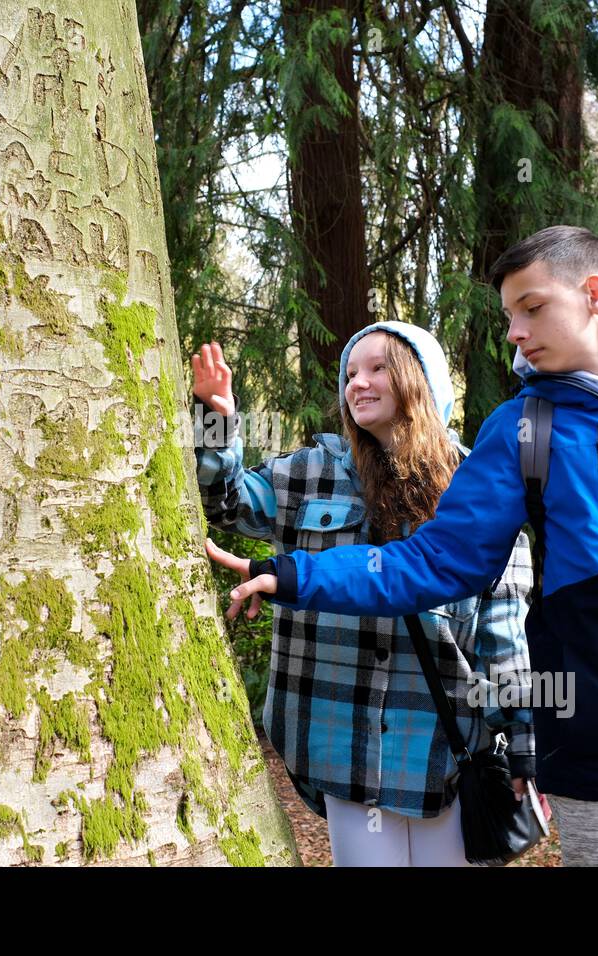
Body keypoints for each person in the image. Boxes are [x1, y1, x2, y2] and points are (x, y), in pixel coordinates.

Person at [214, 226, 598, 867]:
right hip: (596, 762)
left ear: (592, 294)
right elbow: (436, 560)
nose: (514, 332)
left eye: (531, 308)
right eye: (508, 315)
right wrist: (294, 574)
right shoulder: (522, 428)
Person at [192, 322, 542, 866]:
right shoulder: (310, 474)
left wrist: (522, 737)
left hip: (443, 751)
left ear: (420, 381)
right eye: (351, 372)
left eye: (379, 368)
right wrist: (215, 415)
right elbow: (229, 501)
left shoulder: (480, 487)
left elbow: (502, 635)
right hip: (339, 743)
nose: (359, 382)